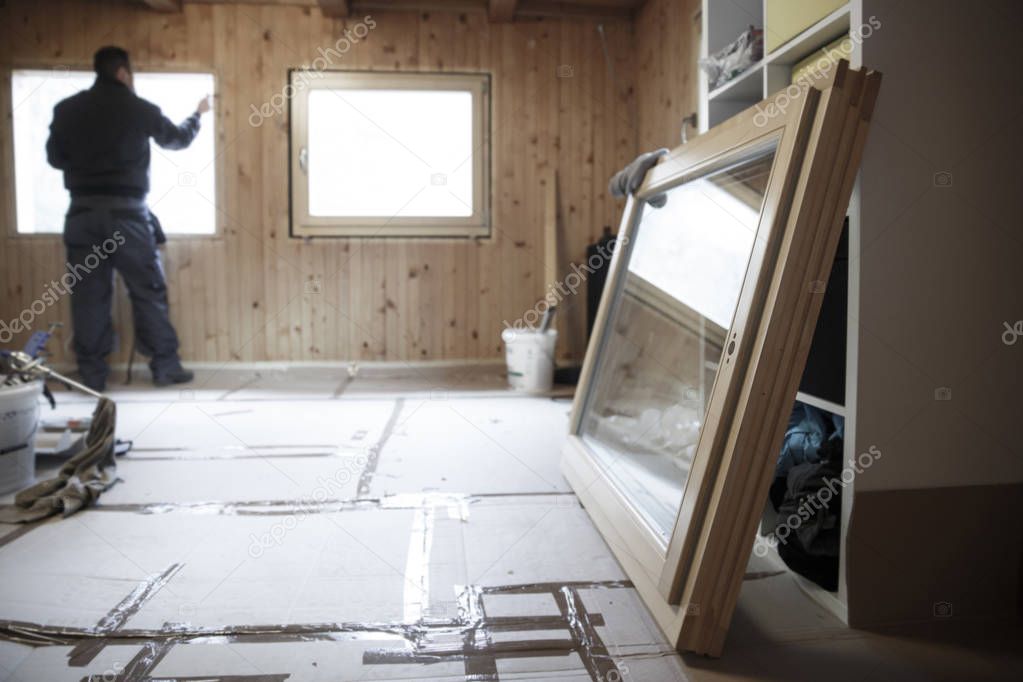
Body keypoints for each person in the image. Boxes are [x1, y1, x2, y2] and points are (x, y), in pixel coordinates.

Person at [46, 46, 211, 392]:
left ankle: (93, 377)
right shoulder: (139, 109)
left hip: (83, 214)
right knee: (148, 291)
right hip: (128, 217)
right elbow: (176, 140)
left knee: (89, 296)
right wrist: (197, 115)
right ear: (123, 73)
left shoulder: (67, 110)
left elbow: (56, 160)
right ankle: (165, 367)